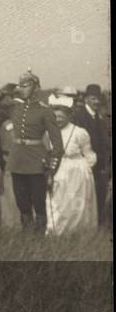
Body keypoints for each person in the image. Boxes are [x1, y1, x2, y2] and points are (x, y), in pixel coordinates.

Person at [5, 69, 63, 233]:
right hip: (17, 160)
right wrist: (4, 89)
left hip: (37, 161)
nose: (21, 88)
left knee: (38, 201)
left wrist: (52, 168)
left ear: (36, 87)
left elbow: (58, 144)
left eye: (26, 85)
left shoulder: (45, 110)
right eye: (20, 85)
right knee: (22, 202)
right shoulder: (14, 107)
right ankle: (27, 236)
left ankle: (39, 237)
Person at [46, 100, 98, 235]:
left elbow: (89, 153)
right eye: (54, 117)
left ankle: (76, 231)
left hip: (75, 171)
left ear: (69, 116)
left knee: (74, 201)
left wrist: (86, 171)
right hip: (56, 168)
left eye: (61, 117)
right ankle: (56, 230)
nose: (57, 120)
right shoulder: (48, 132)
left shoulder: (79, 132)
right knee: (57, 200)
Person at [73, 84, 110, 230]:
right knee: (85, 195)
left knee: (100, 193)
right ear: (87, 99)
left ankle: (97, 224)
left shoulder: (99, 117)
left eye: (98, 99)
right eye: (93, 98)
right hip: (85, 163)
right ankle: (85, 225)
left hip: (100, 163)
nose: (96, 102)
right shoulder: (79, 116)